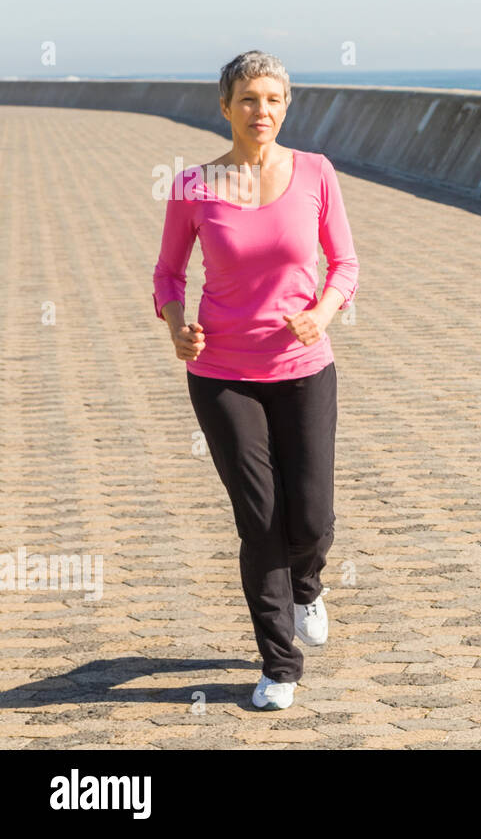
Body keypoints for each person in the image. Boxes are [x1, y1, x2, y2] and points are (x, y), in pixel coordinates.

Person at [151, 51, 360, 710]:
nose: (260, 111)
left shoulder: (316, 174)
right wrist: (177, 325)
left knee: (313, 517)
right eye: (247, 99)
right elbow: (166, 275)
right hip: (222, 374)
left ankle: (307, 587)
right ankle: (278, 664)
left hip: (304, 370)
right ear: (225, 106)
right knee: (259, 518)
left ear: (286, 105)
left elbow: (345, 264)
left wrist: (322, 312)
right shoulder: (193, 186)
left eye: (272, 98)